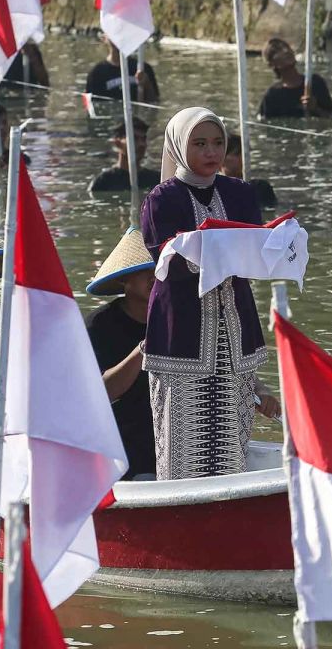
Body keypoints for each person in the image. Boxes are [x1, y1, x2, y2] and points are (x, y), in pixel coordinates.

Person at [140, 107, 280, 480]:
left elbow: (254, 252)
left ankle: (229, 511)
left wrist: (279, 241)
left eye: (218, 143)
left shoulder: (240, 193)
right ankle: (183, 511)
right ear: (179, 146)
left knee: (231, 448)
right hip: (181, 339)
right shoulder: (161, 199)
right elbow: (166, 259)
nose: (211, 152)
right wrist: (220, 250)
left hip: (234, 336)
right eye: (199, 143)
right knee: (184, 449)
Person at [85, 228, 158, 480]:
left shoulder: (178, 317)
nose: (154, 278)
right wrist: (143, 349)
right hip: (121, 443)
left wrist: (257, 389)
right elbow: (102, 392)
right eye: (145, 271)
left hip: (170, 434)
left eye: (158, 270)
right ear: (124, 280)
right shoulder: (100, 324)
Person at [257, 37, 332, 118]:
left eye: (286, 47)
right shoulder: (272, 95)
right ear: (272, 64)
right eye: (278, 51)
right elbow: (264, 122)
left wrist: (315, 109)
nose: (286, 51)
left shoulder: (314, 82)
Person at [90, 117, 162, 192]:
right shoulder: (103, 182)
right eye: (134, 139)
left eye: (143, 139)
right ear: (118, 143)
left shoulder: (157, 180)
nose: (141, 144)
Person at [85, 38, 159, 103]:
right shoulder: (96, 73)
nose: (118, 39)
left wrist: (147, 85)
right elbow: (92, 107)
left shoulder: (143, 68)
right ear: (105, 38)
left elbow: (155, 103)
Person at [222, 135, 278, 208]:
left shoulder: (261, 188)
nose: (244, 158)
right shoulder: (214, 192)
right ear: (221, 158)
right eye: (237, 154)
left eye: (245, 153)